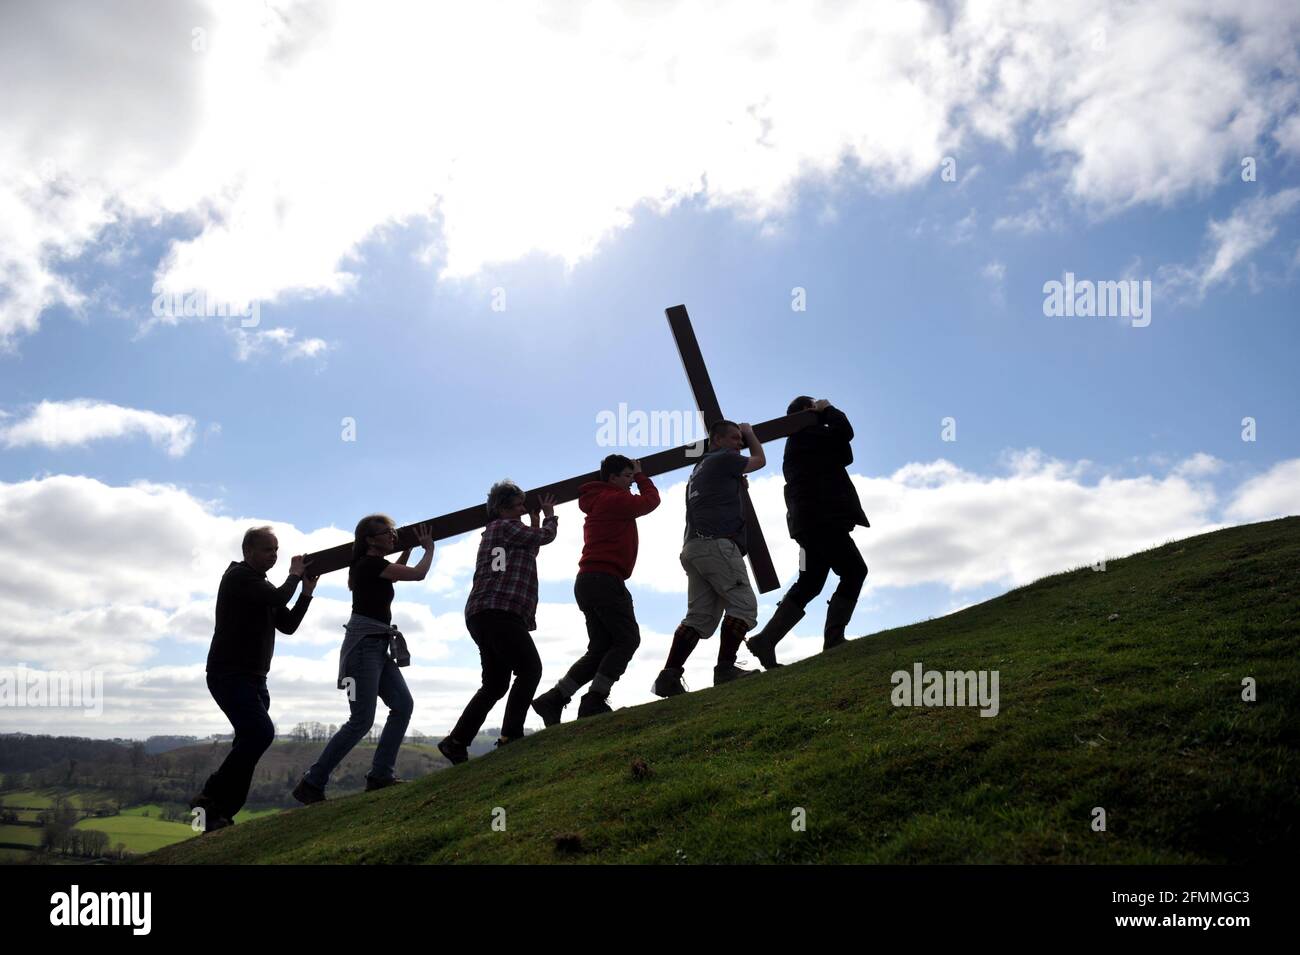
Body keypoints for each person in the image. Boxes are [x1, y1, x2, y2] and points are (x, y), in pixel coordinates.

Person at [292, 516, 434, 803]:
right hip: (362, 651)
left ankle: (381, 775)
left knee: (403, 705)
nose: (393, 536)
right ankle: (312, 782)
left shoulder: (371, 566)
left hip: (376, 648)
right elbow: (417, 574)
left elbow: (395, 573)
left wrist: (407, 548)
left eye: (393, 532)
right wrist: (428, 549)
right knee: (361, 720)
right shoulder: (370, 565)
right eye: (388, 532)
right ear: (370, 539)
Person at [191, 526, 316, 832]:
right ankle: (208, 797)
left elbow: (287, 625)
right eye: (267, 549)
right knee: (260, 734)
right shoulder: (239, 578)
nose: (274, 555)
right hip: (228, 674)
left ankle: (219, 815)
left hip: (255, 679)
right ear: (248, 551)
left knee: (249, 742)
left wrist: (306, 593)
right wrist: (295, 576)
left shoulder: (262, 586)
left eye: (276, 550)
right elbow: (277, 595)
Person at [532, 455, 660, 725]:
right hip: (605, 578)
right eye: (626, 476)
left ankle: (554, 698)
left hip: (589, 580)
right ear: (613, 478)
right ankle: (595, 699)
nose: (630, 481)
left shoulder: (599, 499)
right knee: (627, 639)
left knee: (601, 646)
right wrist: (641, 475)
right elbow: (650, 501)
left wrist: (633, 476)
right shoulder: (614, 499)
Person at [438, 482, 557, 764]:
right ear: (502, 508)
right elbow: (545, 537)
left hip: (485, 613)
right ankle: (511, 735)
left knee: (495, 684)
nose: (522, 509)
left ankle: (457, 742)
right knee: (530, 669)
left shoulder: (504, 532)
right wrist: (549, 515)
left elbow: (531, 547)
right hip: (499, 610)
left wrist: (535, 519)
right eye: (517, 505)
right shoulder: (503, 527)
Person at [746, 397, 869, 669]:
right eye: (813, 406)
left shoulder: (804, 440)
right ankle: (834, 638)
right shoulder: (807, 433)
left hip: (808, 526)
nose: (820, 409)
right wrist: (828, 410)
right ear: (804, 412)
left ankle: (765, 640)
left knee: (810, 582)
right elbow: (845, 433)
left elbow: (844, 454)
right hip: (823, 521)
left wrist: (826, 418)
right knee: (854, 571)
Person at [652, 420, 765, 697]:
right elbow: (760, 460)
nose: (739, 443)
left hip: (693, 546)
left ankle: (669, 676)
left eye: (741, 438)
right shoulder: (725, 459)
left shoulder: (699, 468)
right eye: (734, 438)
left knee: (700, 616)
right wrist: (750, 433)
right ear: (717, 441)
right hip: (716, 544)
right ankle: (725, 669)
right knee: (743, 605)